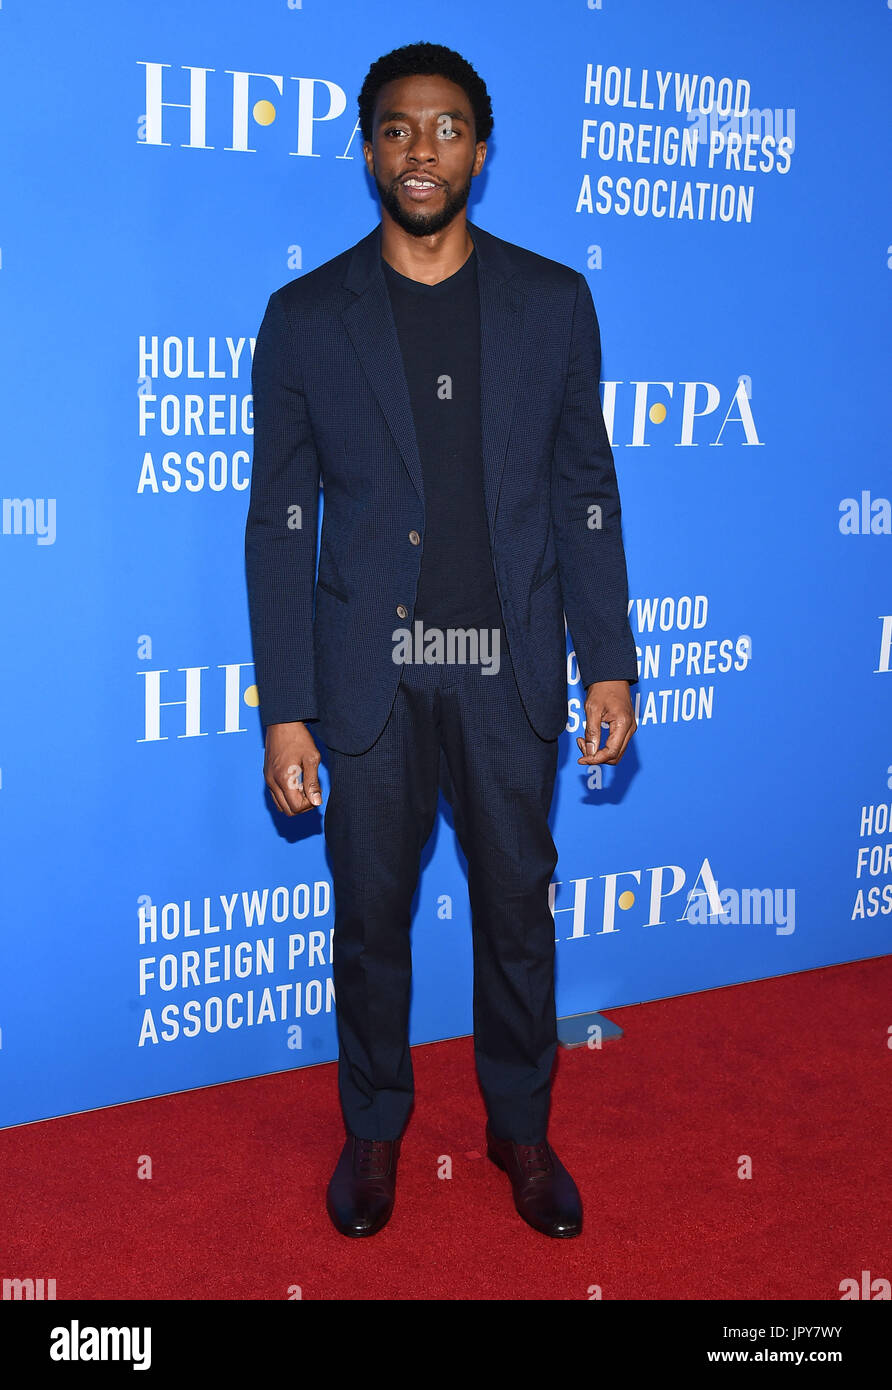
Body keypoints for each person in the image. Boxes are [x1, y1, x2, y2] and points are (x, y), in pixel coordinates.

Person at [244, 41, 638, 1240]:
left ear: (481, 145)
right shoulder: (307, 316)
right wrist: (286, 706)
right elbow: (280, 524)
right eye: (400, 129)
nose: (424, 151)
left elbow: (586, 488)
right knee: (368, 919)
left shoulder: (552, 300)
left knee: (519, 912)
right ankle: (375, 1131)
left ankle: (519, 1126)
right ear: (367, 147)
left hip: (508, 670)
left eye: (448, 128)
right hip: (371, 679)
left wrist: (609, 654)